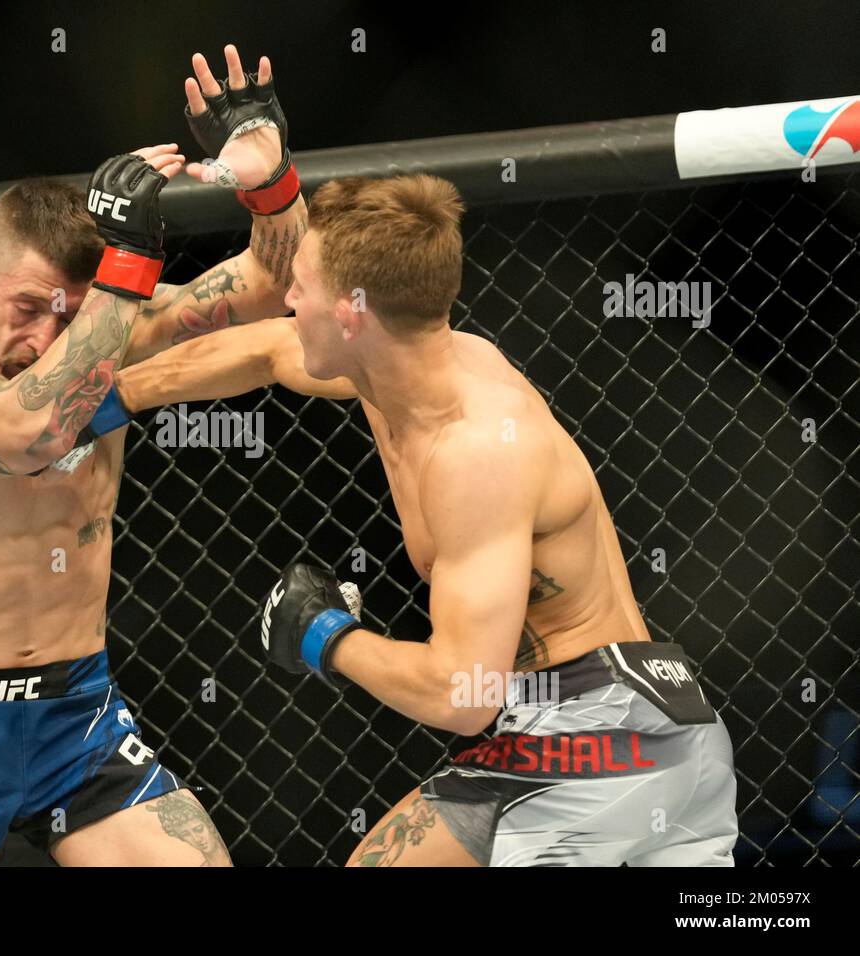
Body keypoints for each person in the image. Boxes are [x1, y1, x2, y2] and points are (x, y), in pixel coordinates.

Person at [112, 172, 739, 866]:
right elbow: (264, 350)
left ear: (352, 314)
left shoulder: (475, 452)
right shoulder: (400, 368)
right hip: (654, 726)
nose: (287, 298)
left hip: (598, 733)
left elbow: (461, 692)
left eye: (302, 284)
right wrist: (110, 401)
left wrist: (325, 635)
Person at [0, 45, 307, 867]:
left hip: (81, 720)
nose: (46, 339)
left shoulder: (107, 331)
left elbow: (277, 288)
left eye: (68, 316)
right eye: (26, 308)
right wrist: (123, 276)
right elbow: (30, 434)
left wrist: (269, 179)